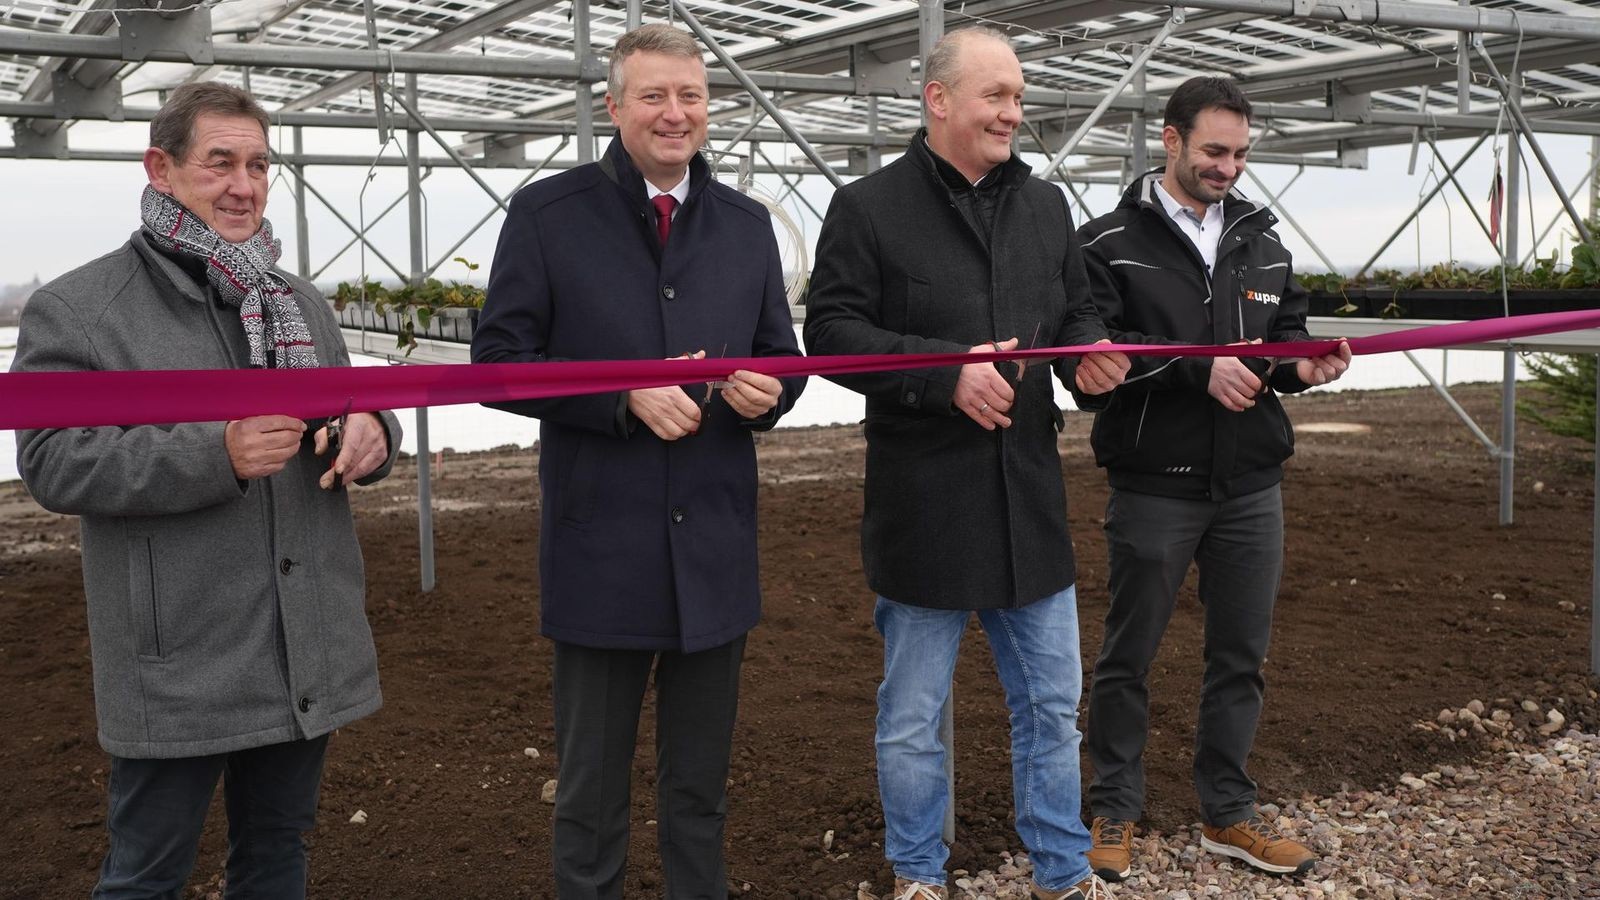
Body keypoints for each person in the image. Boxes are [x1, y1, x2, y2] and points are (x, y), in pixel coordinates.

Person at [11, 82, 401, 898]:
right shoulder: (82, 312)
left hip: (304, 636)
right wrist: (212, 453)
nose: (243, 184)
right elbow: (51, 460)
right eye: (219, 162)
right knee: (147, 872)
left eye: (258, 164)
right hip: (181, 652)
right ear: (161, 169)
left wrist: (373, 432)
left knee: (276, 855)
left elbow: (344, 407)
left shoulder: (295, 303)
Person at [469, 23, 805, 899]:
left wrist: (771, 395)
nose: (674, 112)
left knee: (699, 790)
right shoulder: (549, 215)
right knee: (590, 794)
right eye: (653, 95)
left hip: (715, 549)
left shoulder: (744, 226)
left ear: (708, 107)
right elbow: (498, 367)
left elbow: (782, 358)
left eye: (689, 95)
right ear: (613, 106)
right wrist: (618, 402)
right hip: (601, 549)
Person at [803, 26, 1130, 900]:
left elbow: (1077, 316)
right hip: (925, 503)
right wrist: (944, 375)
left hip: (1028, 502)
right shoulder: (868, 208)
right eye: (996, 96)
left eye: (1018, 98)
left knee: (1052, 713)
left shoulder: (1046, 209)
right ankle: (918, 872)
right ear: (938, 99)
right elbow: (830, 334)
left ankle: (1063, 873)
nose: (1012, 113)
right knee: (912, 720)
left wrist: (1091, 358)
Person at [1071, 76, 1352, 883]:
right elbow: (1092, 353)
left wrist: (1303, 366)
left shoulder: (1264, 240)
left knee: (1241, 656)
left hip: (1251, 485)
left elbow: (1283, 337)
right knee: (1130, 653)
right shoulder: (1107, 242)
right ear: (1170, 139)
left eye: (1239, 154)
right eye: (1214, 152)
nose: (1229, 168)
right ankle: (1113, 809)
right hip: (1156, 483)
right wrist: (1199, 375)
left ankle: (1228, 815)